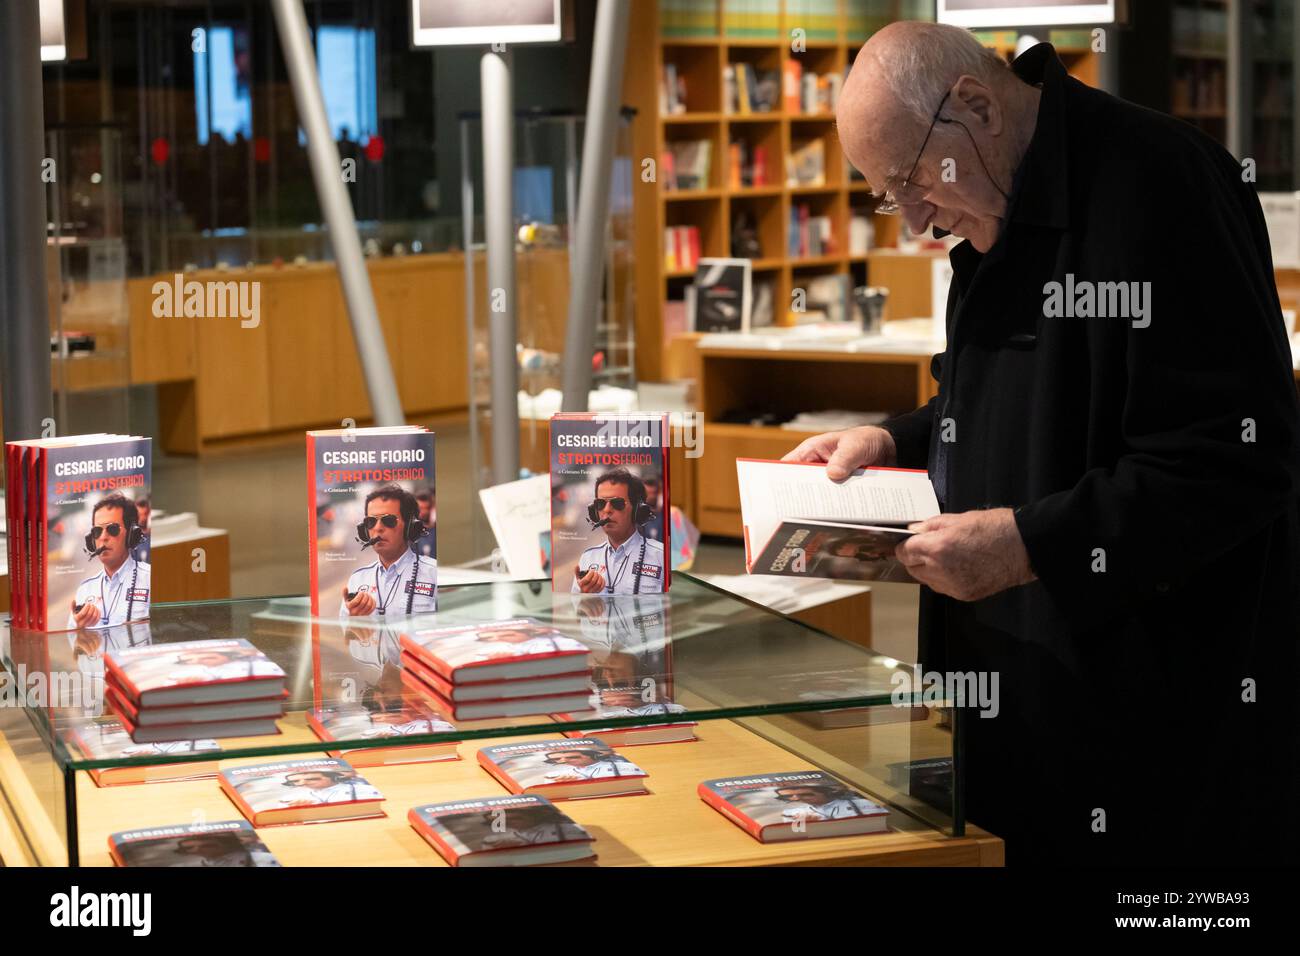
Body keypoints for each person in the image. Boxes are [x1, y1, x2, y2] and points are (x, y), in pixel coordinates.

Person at [784, 22, 1300, 865]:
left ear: (977, 105)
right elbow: (985, 397)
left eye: (910, 180)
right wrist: (893, 439)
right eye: (888, 194)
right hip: (1017, 707)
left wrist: (1032, 546)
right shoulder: (995, 202)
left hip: (1149, 731)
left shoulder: (1160, 185)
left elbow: (1238, 458)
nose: (913, 219)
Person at [341, 484, 437, 617]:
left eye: (389, 520)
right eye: (371, 521)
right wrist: (355, 621)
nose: (378, 528)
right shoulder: (357, 580)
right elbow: (346, 636)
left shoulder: (434, 574)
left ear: (410, 527)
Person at [572, 469, 666, 594]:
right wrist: (584, 598)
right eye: (600, 503)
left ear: (637, 510)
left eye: (617, 503)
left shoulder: (661, 556)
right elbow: (575, 611)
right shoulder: (588, 558)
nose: (607, 510)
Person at [68, 493, 152, 629]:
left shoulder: (151, 579)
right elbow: (74, 647)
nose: (103, 537)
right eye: (97, 531)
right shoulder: (84, 590)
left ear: (132, 534)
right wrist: (79, 631)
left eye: (113, 529)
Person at [775, 782, 879, 821]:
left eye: (805, 794)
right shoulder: (791, 813)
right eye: (789, 796)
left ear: (827, 792)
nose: (797, 799)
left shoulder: (862, 804)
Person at [279, 769, 381, 805]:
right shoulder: (289, 799)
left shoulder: (365, 789)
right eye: (295, 781)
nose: (302, 783)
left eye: (312, 779)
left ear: (332, 777)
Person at [542, 747, 643, 781]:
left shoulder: (627, 767)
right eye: (557, 759)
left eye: (572, 757)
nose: (564, 761)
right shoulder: (554, 776)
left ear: (591, 755)